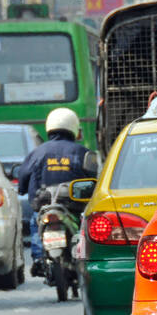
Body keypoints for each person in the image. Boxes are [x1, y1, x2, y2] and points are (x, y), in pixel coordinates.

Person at [18, 108, 98, 275]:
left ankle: (39, 258)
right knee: (84, 224)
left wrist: (23, 189)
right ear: (74, 128)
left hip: (43, 204)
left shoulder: (37, 152)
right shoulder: (82, 152)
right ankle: (83, 255)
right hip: (74, 206)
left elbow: (23, 178)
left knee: (35, 222)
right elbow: (94, 179)